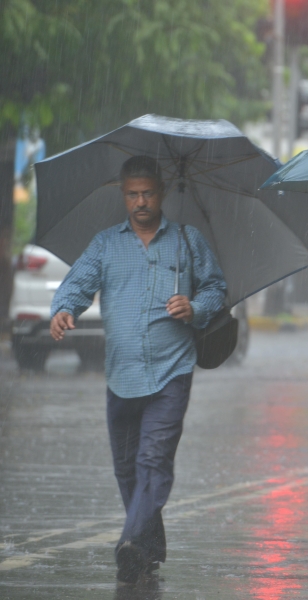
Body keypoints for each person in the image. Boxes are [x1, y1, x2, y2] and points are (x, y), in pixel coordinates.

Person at [50, 155, 226, 584]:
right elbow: (77, 282)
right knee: (127, 467)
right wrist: (63, 309)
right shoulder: (106, 244)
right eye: (133, 194)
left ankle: (129, 542)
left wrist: (195, 306)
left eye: (148, 193)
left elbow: (216, 287)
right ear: (122, 194)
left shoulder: (187, 240)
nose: (141, 201)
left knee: (153, 460)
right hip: (121, 375)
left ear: (161, 192)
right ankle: (147, 546)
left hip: (171, 371)